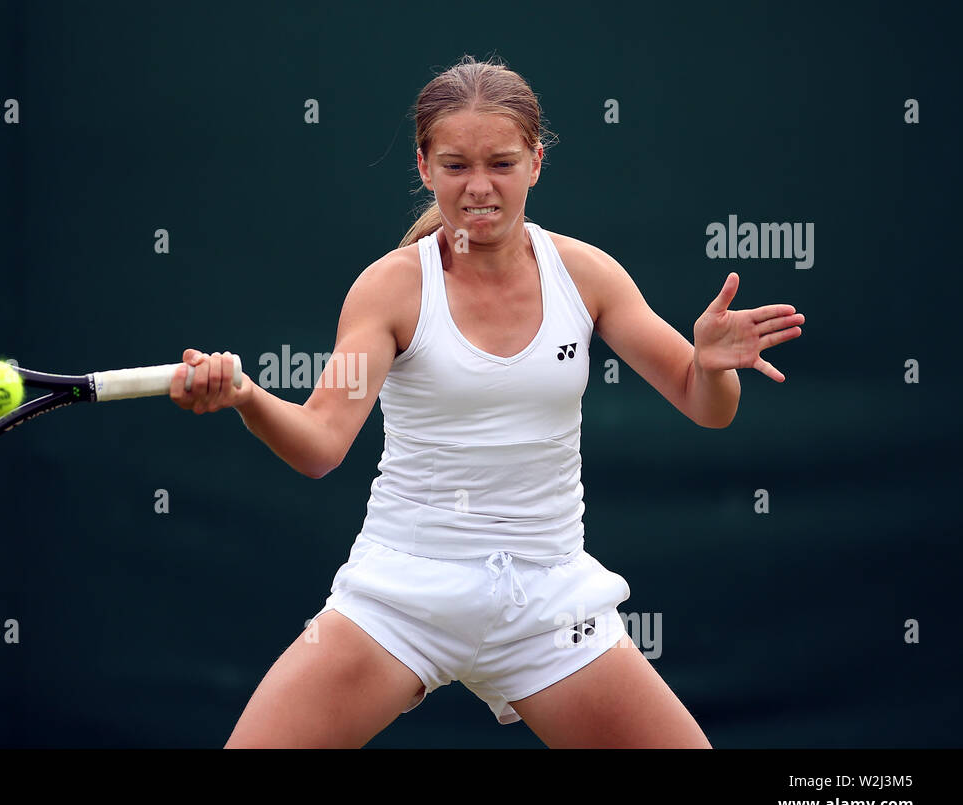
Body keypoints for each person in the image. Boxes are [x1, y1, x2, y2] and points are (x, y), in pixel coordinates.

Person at [169, 57, 804, 748]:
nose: (479, 187)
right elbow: (322, 441)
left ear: (536, 160)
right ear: (423, 166)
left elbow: (706, 402)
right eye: (455, 165)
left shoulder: (587, 276)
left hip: (551, 604)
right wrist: (246, 395)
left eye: (501, 163)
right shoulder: (389, 290)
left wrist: (710, 366)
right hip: (402, 595)